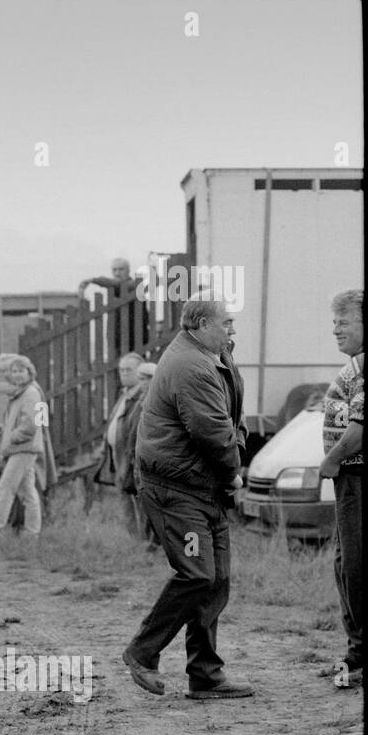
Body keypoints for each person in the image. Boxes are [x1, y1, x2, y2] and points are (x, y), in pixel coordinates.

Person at [122, 291, 251, 700]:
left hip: (201, 486)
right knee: (198, 573)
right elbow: (212, 430)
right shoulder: (190, 365)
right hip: (175, 490)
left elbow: (233, 415)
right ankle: (142, 652)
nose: (232, 329)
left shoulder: (215, 355)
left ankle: (206, 676)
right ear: (200, 325)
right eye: (226, 322)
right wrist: (233, 473)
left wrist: (234, 457)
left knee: (217, 580)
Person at [319, 289, 364, 689]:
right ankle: (356, 652)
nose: (336, 330)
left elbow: (362, 427)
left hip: (359, 477)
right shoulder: (357, 364)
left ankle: (364, 656)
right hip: (349, 480)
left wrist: (332, 458)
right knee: (344, 563)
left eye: (344, 322)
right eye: (334, 322)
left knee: (357, 565)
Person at [0, 355, 45, 536]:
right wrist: (6, 427)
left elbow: (30, 426)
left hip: (23, 448)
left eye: (21, 371)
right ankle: (31, 532)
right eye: (14, 371)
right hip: (23, 448)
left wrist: (10, 437)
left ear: (30, 372)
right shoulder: (22, 391)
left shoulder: (31, 393)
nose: (17, 375)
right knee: (28, 492)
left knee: (5, 489)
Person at [94, 352, 147, 532]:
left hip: (132, 455)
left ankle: (146, 543)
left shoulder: (142, 395)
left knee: (139, 498)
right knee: (125, 498)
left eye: (128, 370)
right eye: (121, 370)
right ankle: (134, 541)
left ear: (139, 372)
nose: (124, 373)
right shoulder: (124, 394)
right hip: (117, 454)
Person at [117, 361, 160, 547]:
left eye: (147, 378)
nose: (143, 382)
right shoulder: (140, 400)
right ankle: (145, 542)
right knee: (141, 501)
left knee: (151, 503)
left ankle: (154, 543)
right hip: (135, 458)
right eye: (141, 378)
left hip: (148, 458)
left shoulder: (156, 400)